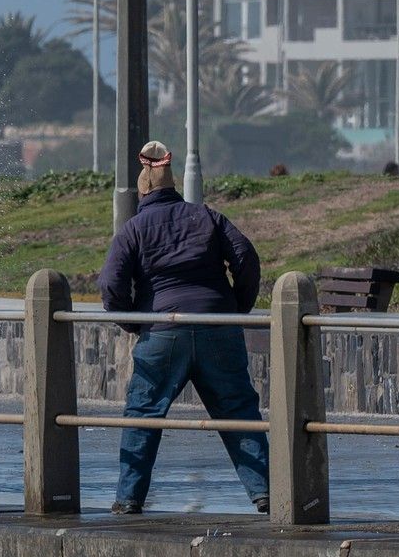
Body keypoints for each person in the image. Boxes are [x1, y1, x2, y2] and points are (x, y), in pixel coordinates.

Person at [97, 141, 270, 514]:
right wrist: (235, 308)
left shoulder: (132, 230)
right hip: (216, 324)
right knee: (239, 410)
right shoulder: (207, 216)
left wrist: (133, 321)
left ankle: (129, 498)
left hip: (162, 332)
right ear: (173, 186)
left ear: (143, 192)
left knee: (143, 414)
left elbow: (110, 284)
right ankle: (265, 492)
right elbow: (245, 257)